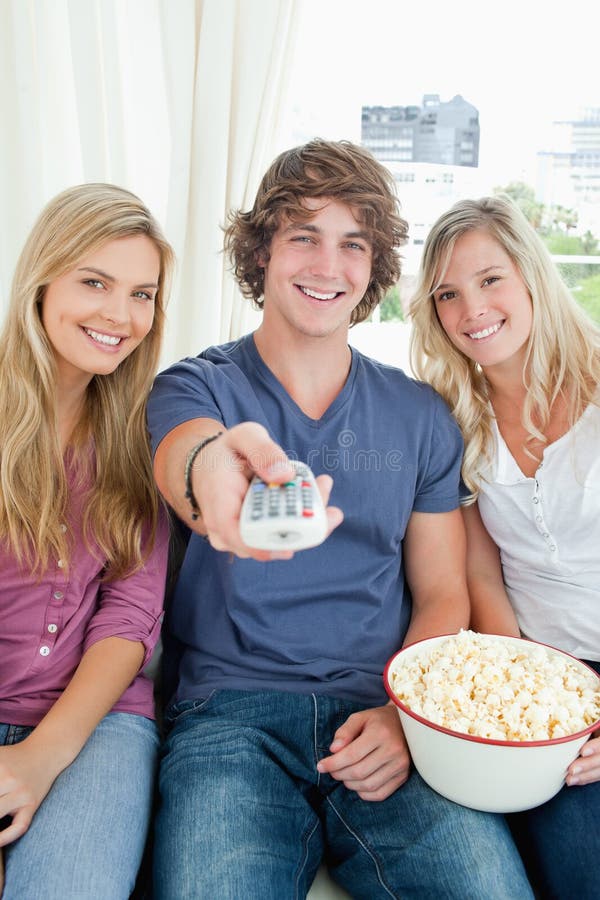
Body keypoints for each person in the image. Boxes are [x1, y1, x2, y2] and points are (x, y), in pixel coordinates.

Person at [147, 140, 533, 900]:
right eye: (303, 237)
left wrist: (401, 715)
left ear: (375, 267)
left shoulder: (422, 416)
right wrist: (216, 485)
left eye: (352, 244)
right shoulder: (196, 387)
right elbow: (190, 462)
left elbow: (443, 594)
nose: (328, 266)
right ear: (260, 253)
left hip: (385, 718)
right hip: (230, 720)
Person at [410, 194, 600, 899]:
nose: (471, 310)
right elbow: (482, 568)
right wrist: (520, 696)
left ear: (530, 276)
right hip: (539, 680)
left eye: (490, 280)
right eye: (448, 294)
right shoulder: (454, 414)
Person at [0, 183, 174, 899]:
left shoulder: (144, 431)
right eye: (95, 282)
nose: (120, 315)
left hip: (97, 720)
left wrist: (41, 757)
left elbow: (131, 617)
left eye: (142, 293)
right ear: (42, 279)